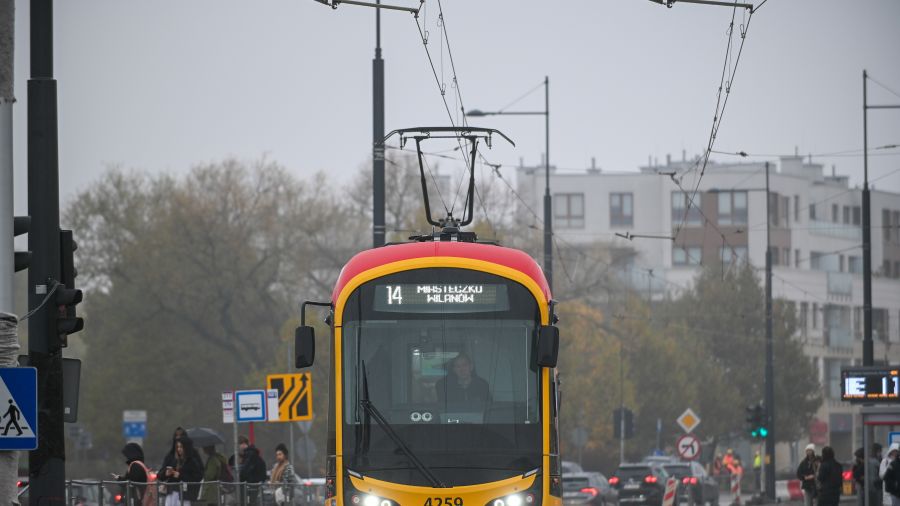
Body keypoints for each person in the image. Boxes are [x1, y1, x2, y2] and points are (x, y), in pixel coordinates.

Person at [159, 436, 204, 506]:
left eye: (181, 447)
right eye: (178, 447)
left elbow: (198, 477)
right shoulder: (174, 460)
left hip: (184, 495)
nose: (179, 449)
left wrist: (181, 476)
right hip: (171, 493)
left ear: (186, 448)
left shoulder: (192, 462)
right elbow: (160, 476)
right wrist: (166, 474)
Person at [229, 435, 267, 506]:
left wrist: (240, 477)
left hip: (251, 483)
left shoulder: (250, 454)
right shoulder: (251, 453)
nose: (241, 446)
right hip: (253, 483)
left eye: (242, 444)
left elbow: (246, 469)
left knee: (249, 502)